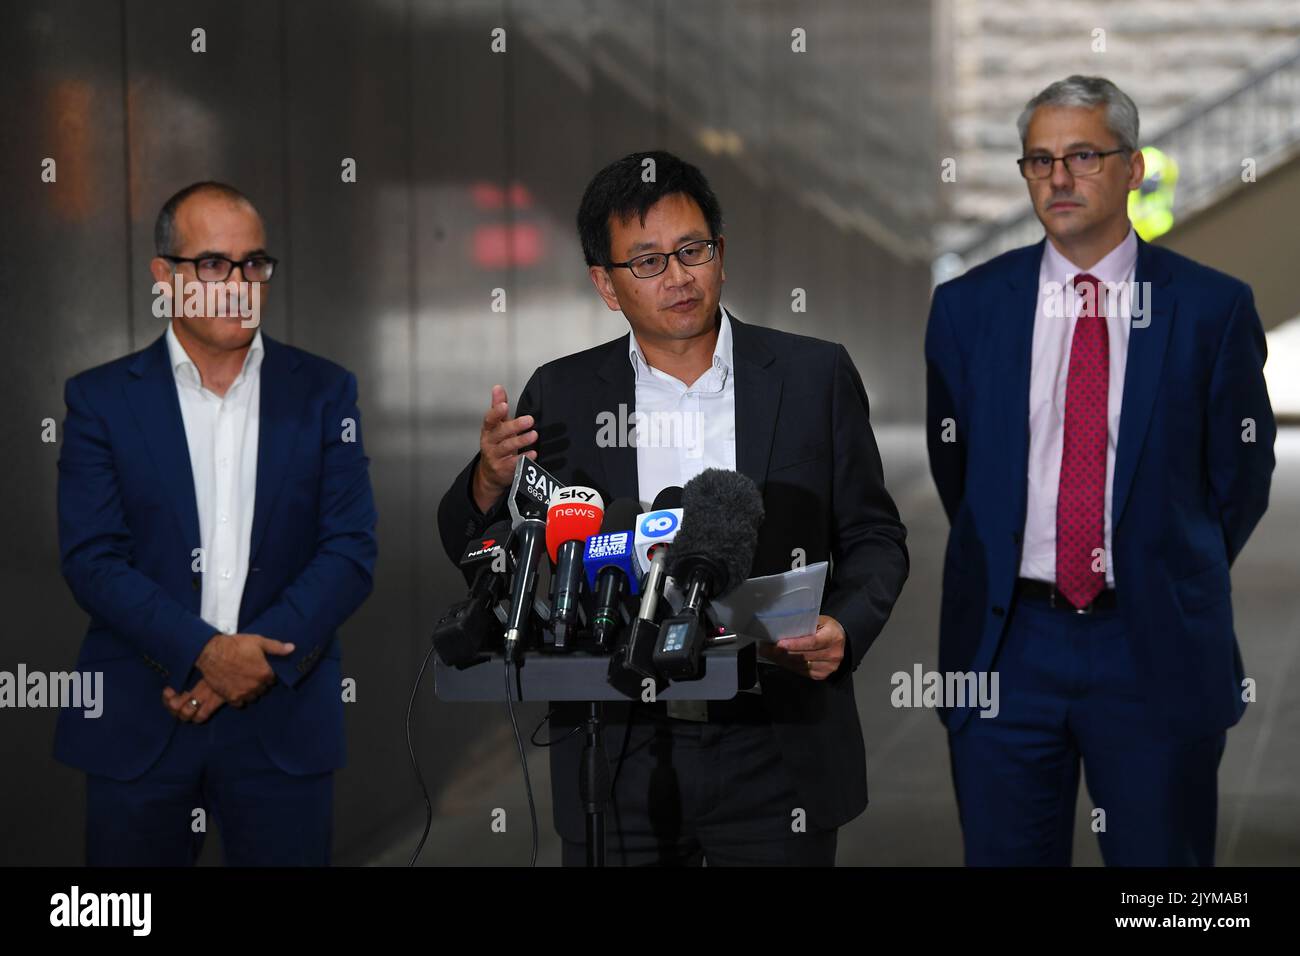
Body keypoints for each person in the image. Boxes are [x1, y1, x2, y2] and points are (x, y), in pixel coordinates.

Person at [438, 150, 908, 866]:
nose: (678, 276)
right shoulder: (564, 396)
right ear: (605, 283)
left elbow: (874, 534)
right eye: (648, 261)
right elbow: (489, 545)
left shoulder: (814, 376)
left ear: (721, 253)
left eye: (692, 250)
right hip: (616, 738)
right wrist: (488, 479)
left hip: (776, 740)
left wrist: (846, 624)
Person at [926, 76, 1275, 865]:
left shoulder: (1210, 308)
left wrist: (1171, 563)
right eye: (1039, 160)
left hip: (1152, 643)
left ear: (1134, 166)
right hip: (1008, 646)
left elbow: (1241, 473)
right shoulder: (967, 308)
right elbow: (961, 471)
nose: (1058, 178)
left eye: (1082, 155)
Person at [55, 181, 378, 865]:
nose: (238, 284)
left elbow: (349, 550)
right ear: (165, 278)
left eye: (254, 263)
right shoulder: (101, 400)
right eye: (212, 265)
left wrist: (252, 662)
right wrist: (206, 651)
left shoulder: (325, 391)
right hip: (142, 716)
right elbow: (93, 559)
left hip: (282, 721)